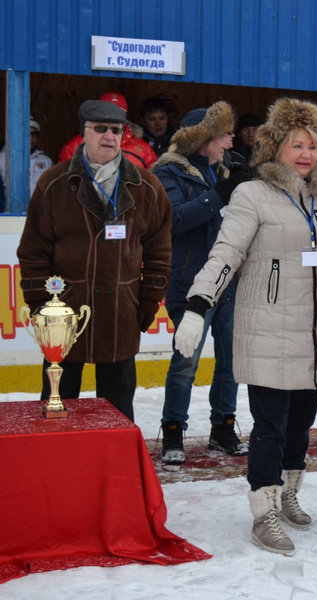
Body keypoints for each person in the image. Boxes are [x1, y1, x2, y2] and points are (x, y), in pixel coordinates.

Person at [173, 98, 317, 556]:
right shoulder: (251, 194)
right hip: (270, 330)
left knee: (301, 426)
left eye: (313, 146)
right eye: (296, 145)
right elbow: (226, 252)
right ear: (276, 146)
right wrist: (198, 306)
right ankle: (264, 511)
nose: (306, 154)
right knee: (270, 428)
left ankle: (289, 493)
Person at [17, 99, 172, 421]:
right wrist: (40, 305)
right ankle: (56, 466)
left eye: (116, 130)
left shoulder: (146, 186)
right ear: (83, 133)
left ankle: (115, 468)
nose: (108, 137)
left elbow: (159, 251)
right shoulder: (54, 183)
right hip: (64, 315)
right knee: (58, 405)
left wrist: (148, 301)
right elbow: (33, 251)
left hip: (121, 312)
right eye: (99, 129)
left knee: (117, 410)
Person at [153, 101, 253, 464]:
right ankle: (173, 430)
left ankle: (223, 427)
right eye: (222, 136)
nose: (228, 143)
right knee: (185, 362)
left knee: (231, 362)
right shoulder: (168, 174)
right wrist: (221, 195)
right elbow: (176, 219)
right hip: (188, 285)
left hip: (229, 284)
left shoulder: (225, 172)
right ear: (202, 139)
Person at [59, 92, 158, 169]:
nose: (112, 115)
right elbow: (62, 182)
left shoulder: (144, 150)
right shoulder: (74, 146)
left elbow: (153, 186)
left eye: (118, 112)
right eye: (107, 110)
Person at [0, 116, 53, 196]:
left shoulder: (46, 161)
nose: (31, 138)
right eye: (26, 133)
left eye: (34, 134)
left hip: (37, 208)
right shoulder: (2, 159)